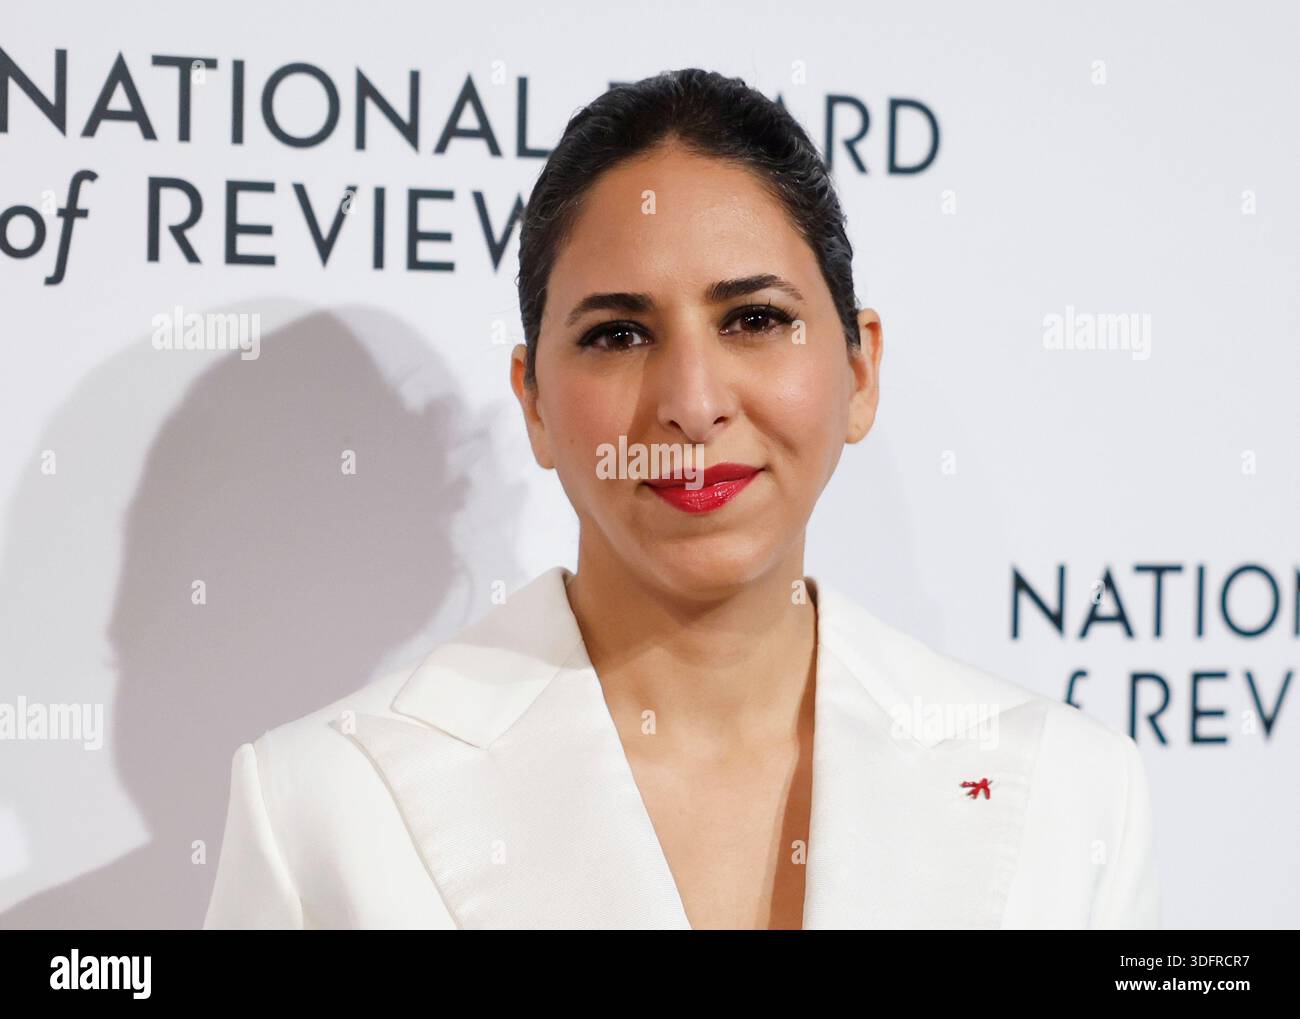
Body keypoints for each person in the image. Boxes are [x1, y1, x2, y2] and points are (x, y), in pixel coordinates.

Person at [204, 68, 1159, 930]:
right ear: (533, 399)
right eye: (619, 335)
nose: (693, 405)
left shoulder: (1070, 796)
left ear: (860, 369)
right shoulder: (322, 806)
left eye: (755, 319)